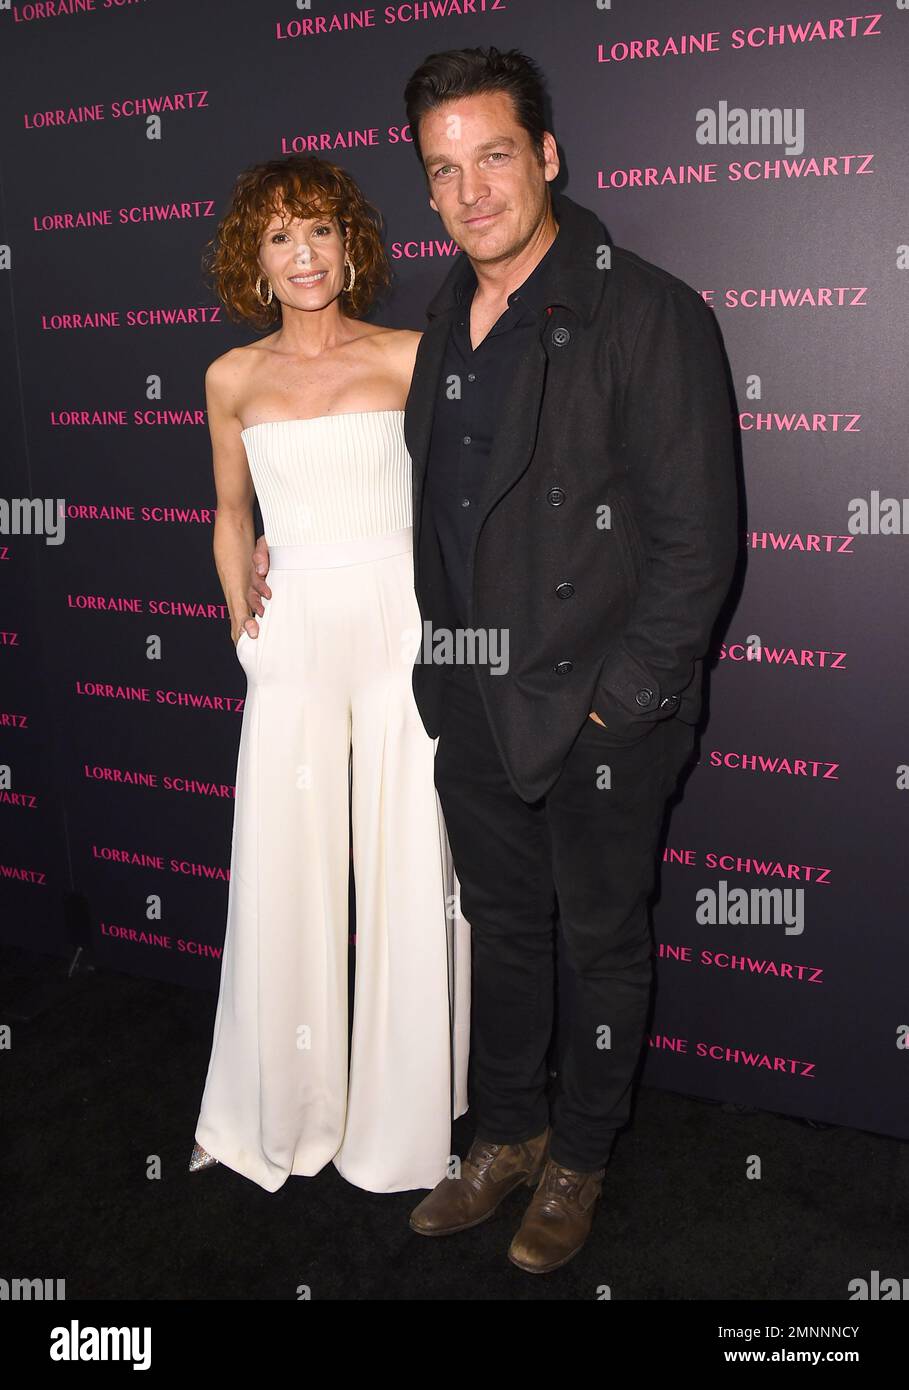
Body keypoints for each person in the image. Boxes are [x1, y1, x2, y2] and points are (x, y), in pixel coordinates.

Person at [248, 47, 739, 1271]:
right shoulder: (440, 326)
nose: (472, 191)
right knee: (508, 933)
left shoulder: (648, 308)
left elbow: (696, 546)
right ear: (426, 189)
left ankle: (581, 1155)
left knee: (602, 941)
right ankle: (508, 1132)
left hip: (599, 715)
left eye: (496, 157)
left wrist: (623, 710)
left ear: (549, 157)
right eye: (444, 169)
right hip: (468, 702)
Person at [189, 154, 470, 1195]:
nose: (301, 254)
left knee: (411, 865)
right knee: (282, 868)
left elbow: (457, 501)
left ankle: (402, 1123)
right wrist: (240, 626)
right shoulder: (231, 376)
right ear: (252, 260)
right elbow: (231, 515)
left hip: (400, 627)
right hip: (293, 636)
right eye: (277, 236)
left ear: (350, 244)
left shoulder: (410, 354)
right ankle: (284, 1106)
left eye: (318, 230)